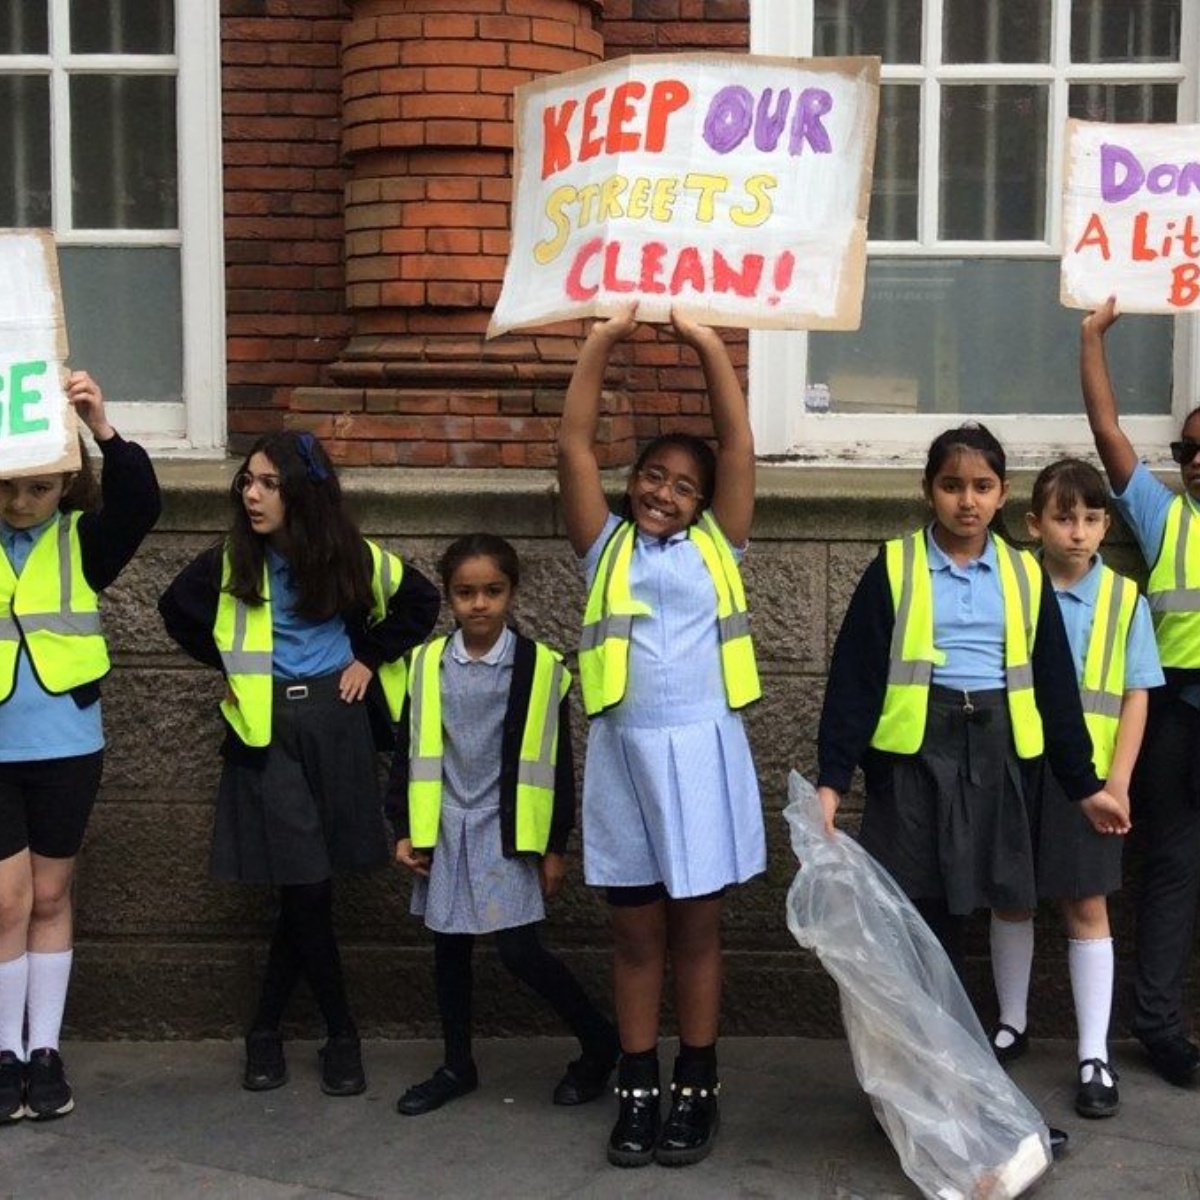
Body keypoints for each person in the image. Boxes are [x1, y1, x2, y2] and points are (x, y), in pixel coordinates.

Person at [158, 430, 438, 1098]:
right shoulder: (231, 560)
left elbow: (421, 602)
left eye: (267, 483)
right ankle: (342, 1034)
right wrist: (227, 664)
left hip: (336, 727)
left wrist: (368, 657)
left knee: (306, 890)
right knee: (308, 885)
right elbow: (175, 610)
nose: (251, 495)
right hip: (267, 734)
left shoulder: (349, 557)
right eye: (246, 482)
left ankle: (264, 1032)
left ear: (302, 493)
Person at [557, 303, 765, 1169]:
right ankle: (636, 1086)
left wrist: (708, 344)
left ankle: (697, 1083)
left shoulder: (721, 544)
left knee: (696, 933)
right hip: (624, 758)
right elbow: (572, 445)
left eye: (683, 484)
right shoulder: (602, 545)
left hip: (702, 754)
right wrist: (605, 339)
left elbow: (739, 442)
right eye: (651, 474)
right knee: (635, 935)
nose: (662, 492)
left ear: (704, 501)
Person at [815, 423, 1130, 976]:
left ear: (1003, 493)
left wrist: (1084, 786)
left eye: (982, 486)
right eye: (951, 485)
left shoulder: (1023, 573)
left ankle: (957, 1042)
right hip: (912, 760)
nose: (967, 501)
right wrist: (832, 781)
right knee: (913, 900)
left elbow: (1055, 685)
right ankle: (919, 1047)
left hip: (995, 756)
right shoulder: (894, 565)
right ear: (928, 490)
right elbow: (853, 680)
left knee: (977, 895)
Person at [385, 533, 618, 1116]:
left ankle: (600, 1039)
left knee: (519, 952)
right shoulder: (426, 664)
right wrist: (402, 827)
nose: (479, 604)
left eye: (492, 590)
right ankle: (456, 1063)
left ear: (512, 592)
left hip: (509, 829)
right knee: (450, 948)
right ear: (449, 598)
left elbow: (558, 762)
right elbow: (408, 748)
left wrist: (555, 846)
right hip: (446, 823)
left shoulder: (541, 669)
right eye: (465, 593)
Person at [0, 371, 160, 1123]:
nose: (20, 503)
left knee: (52, 896)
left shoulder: (83, 541)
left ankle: (45, 1051)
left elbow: (140, 502)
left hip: (66, 742)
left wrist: (102, 424)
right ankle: (4, 1051)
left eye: (36, 487)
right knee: (7, 903)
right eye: (7, 487)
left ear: (64, 482)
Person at [987, 458, 1161, 1120]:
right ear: (1035, 526)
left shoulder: (1123, 599)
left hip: (1090, 783)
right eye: (1064, 518)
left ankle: (1094, 1053)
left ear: (1106, 524)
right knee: (1011, 898)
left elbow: (1137, 693)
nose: (1079, 532)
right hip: (1020, 766)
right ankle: (1011, 1024)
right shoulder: (1012, 589)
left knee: (1087, 905)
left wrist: (1117, 782)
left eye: (1091, 519)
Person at [1081, 297, 1200, 1088]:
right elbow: (1109, 433)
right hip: (1178, 718)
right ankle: (1158, 1026)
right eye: (1188, 448)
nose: (1196, 461)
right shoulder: (1166, 516)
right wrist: (1091, 339)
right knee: (1173, 869)